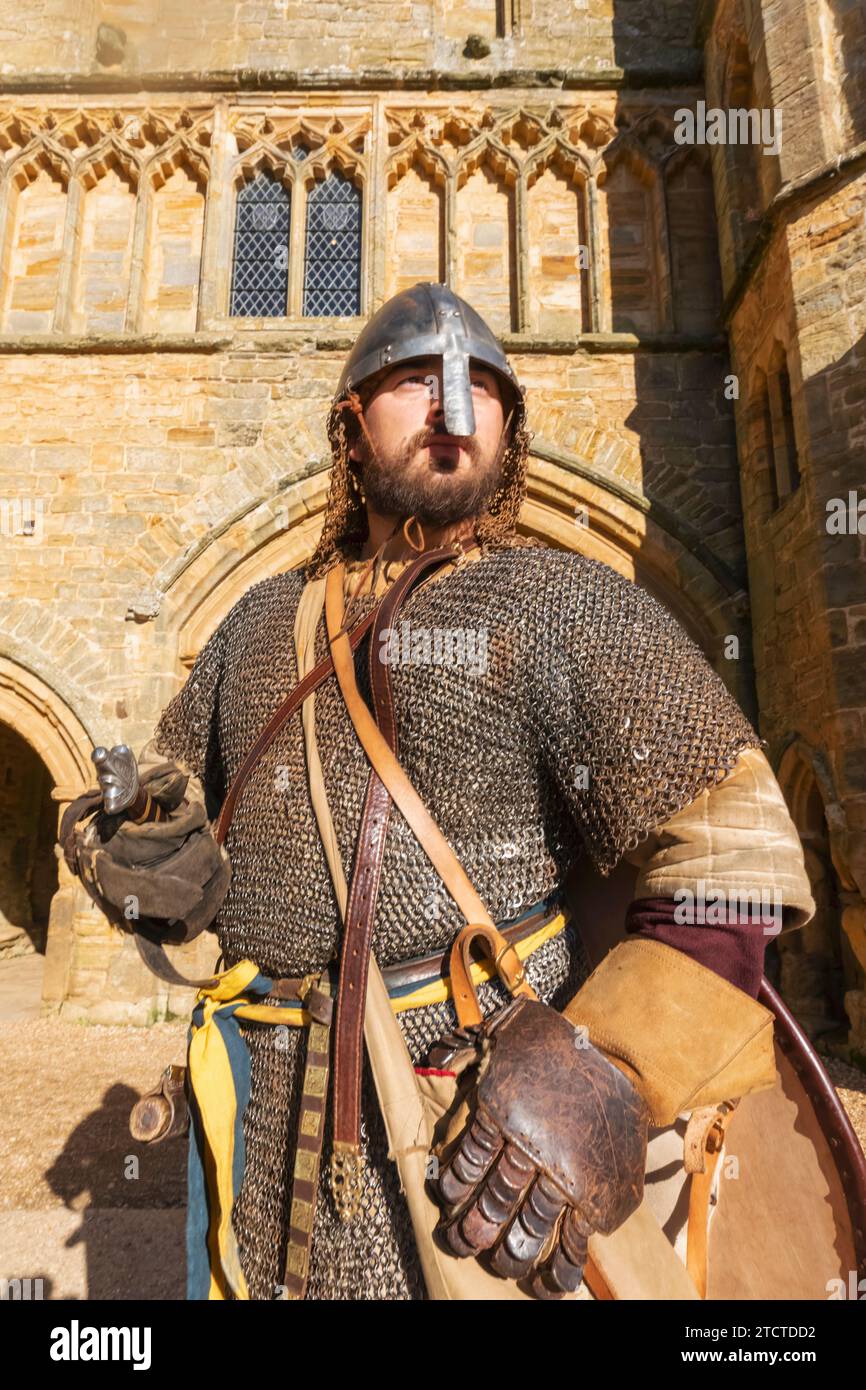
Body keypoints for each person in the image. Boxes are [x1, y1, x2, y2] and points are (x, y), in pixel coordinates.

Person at [61, 282, 815, 1301]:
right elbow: (194, 867)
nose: (451, 407)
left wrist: (606, 1072)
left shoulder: (568, 605)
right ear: (350, 428)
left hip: (478, 1126)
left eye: (479, 389)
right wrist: (142, 845)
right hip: (254, 1109)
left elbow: (737, 857)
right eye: (417, 382)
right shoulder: (253, 625)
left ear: (508, 429)